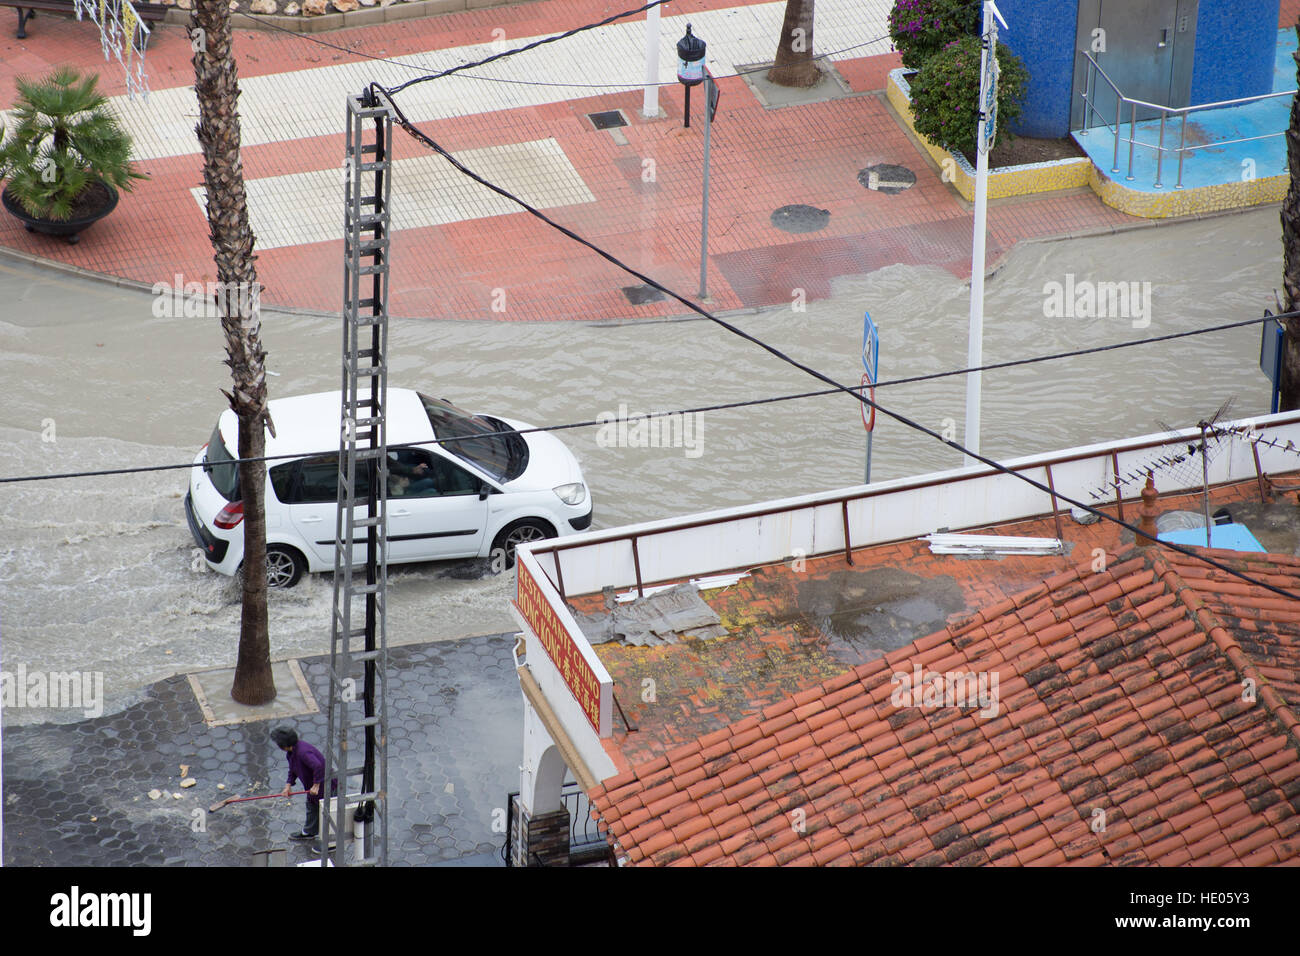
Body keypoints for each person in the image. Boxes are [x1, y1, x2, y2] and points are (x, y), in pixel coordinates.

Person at [271, 726, 331, 841]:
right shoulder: (291, 752)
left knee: (328, 813)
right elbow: (293, 768)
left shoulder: (303, 752)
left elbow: (319, 766)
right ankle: (309, 832)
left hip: (325, 786)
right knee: (312, 808)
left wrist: (316, 784)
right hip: (314, 789)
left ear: (284, 746)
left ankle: (330, 843)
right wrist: (288, 785)